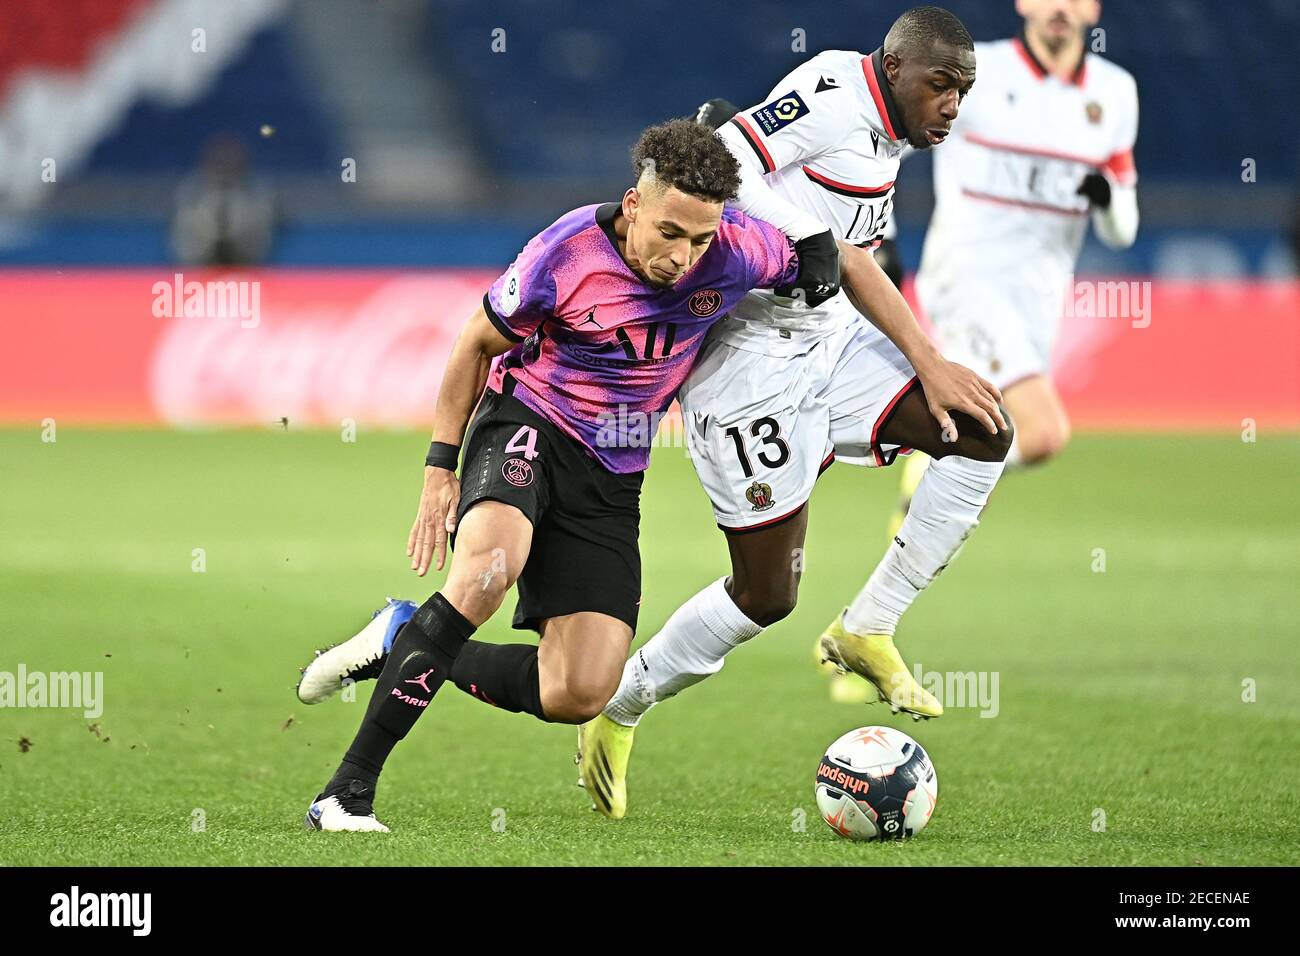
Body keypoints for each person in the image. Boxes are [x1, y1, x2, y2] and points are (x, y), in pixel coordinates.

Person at [298, 119, 834, 832]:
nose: (684, 257)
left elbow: (828, 257)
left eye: (700, 239)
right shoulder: (567, 250)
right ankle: (344, 794)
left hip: (612, 475)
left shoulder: (739, 252)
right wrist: (439, 467)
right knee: (485, 574)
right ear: (634, 205)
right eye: (671, 232)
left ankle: (404, 635)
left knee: (579, 691)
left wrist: (888, 325)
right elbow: (474, 344)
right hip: (529, 423)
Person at [580, 6, 1013, 819]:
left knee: (983, 430)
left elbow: (853, 251)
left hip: (833, 345)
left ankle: (868, 627)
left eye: (964, 90)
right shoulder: (830, 90)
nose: (952, 104)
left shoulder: (894, 134)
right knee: (767, 595)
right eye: (940, 86)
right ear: (892, 69)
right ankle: (622, 705)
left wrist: (849, 269)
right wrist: (808, 241)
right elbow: (726, 157)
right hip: (751, 369)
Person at [829, 0, 1139, 703]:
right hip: (966, 279)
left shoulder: (1115, 93)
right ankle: (909, 522)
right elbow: (894, 130)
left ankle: (867, 616)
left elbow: (1124, 225)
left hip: (1037, 299)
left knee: (988, 435)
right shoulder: (979, 71)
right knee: (1043, 429)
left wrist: (1106, 197)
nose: (1060, 9)